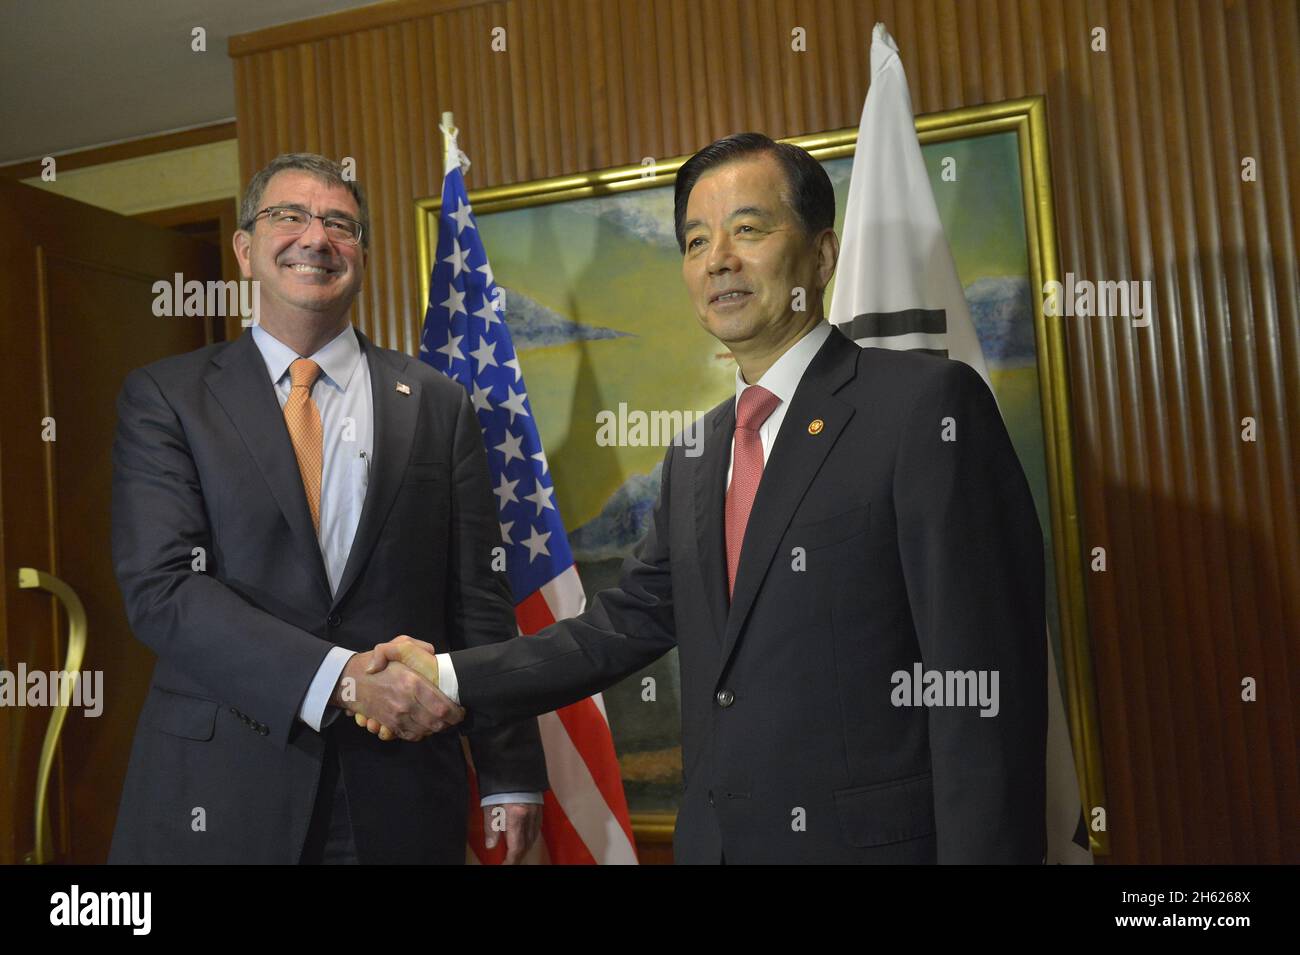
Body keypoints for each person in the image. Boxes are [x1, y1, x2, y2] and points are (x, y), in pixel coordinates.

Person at [365, 133, 1047, 864]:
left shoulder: (922, 408)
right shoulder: (696, 453)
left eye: (748, 229)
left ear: (821, 256)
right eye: (695, 240)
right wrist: (444, 674)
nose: (718, 258)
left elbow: (981, 688)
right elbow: (616, 626)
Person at [109, 153, 543, 864]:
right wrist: (341, 679)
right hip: (221, 790)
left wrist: (509, 773)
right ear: (246, 251)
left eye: (340, 223)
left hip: (401, 791)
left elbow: (479, 598)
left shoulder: (437, 402)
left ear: (362, 255)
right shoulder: (167, 399)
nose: (316, 237)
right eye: (290, 217)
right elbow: (163, 591)